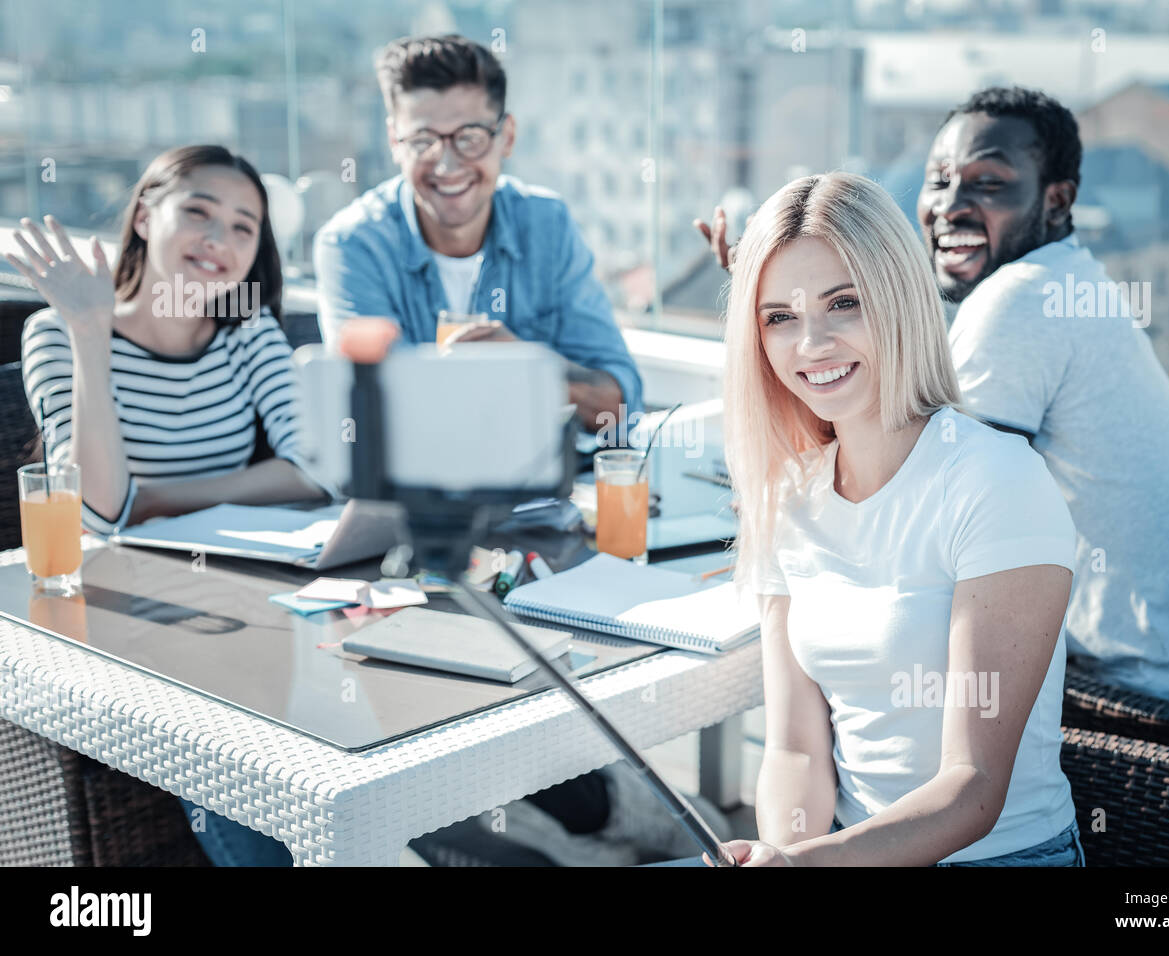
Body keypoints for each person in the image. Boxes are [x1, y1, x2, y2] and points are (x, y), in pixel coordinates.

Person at [697, 87, 1169, 719]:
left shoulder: (1023, 300)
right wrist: (795, 283)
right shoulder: (1068, 280)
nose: (951, 205)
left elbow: (916, 483)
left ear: (1056, 200)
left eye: (989, 183)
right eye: (940, 181)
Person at [673, 171, 1083, 867]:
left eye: (844, 304)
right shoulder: (788, 495)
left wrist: (808, 866)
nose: (813, 344)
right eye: (780, 317)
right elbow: (794, 749)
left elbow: (971, 792)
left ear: (898, 300)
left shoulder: (996, 481)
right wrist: (783, 853)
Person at [9, 144, 336, 866]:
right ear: (144, 215)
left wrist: (156, 500)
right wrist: (91, 332)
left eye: (245, 226)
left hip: (243, 594)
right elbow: (97, 512)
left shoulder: (248, 334)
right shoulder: (56, 334)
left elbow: (316, 468)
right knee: (243, 773)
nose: (219, 240)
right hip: (121, 618)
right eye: (199, 212)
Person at [313, 34, 643, 432]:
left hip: (539, 484)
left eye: (469, 137)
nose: (447, 165)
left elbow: (620, 405)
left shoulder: (547, 225)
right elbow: (367, 414)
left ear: (506, 136)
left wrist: (532, 366)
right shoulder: (353, 244)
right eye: (423, 141)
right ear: (393, 143)